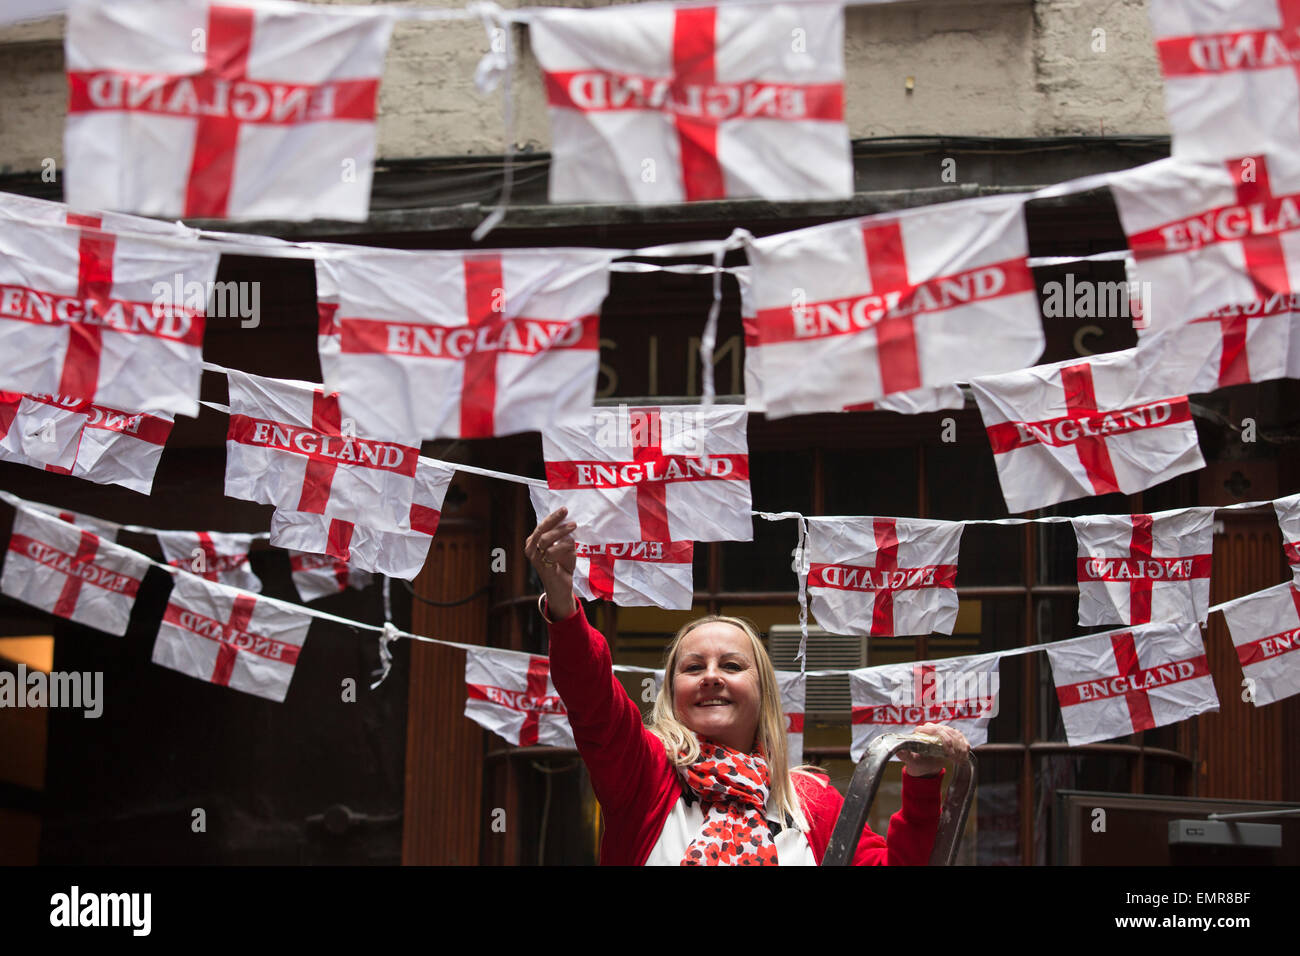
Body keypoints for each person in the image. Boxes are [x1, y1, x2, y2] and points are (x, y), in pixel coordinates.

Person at [525, 507, 971, 866]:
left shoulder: (813, 802)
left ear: (764, 694)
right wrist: (564, 606)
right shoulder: (645, 775)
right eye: (693, 666)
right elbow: (593, 700)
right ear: (672, 693)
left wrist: (922, 779)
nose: (712, 676)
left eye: (732, 665)